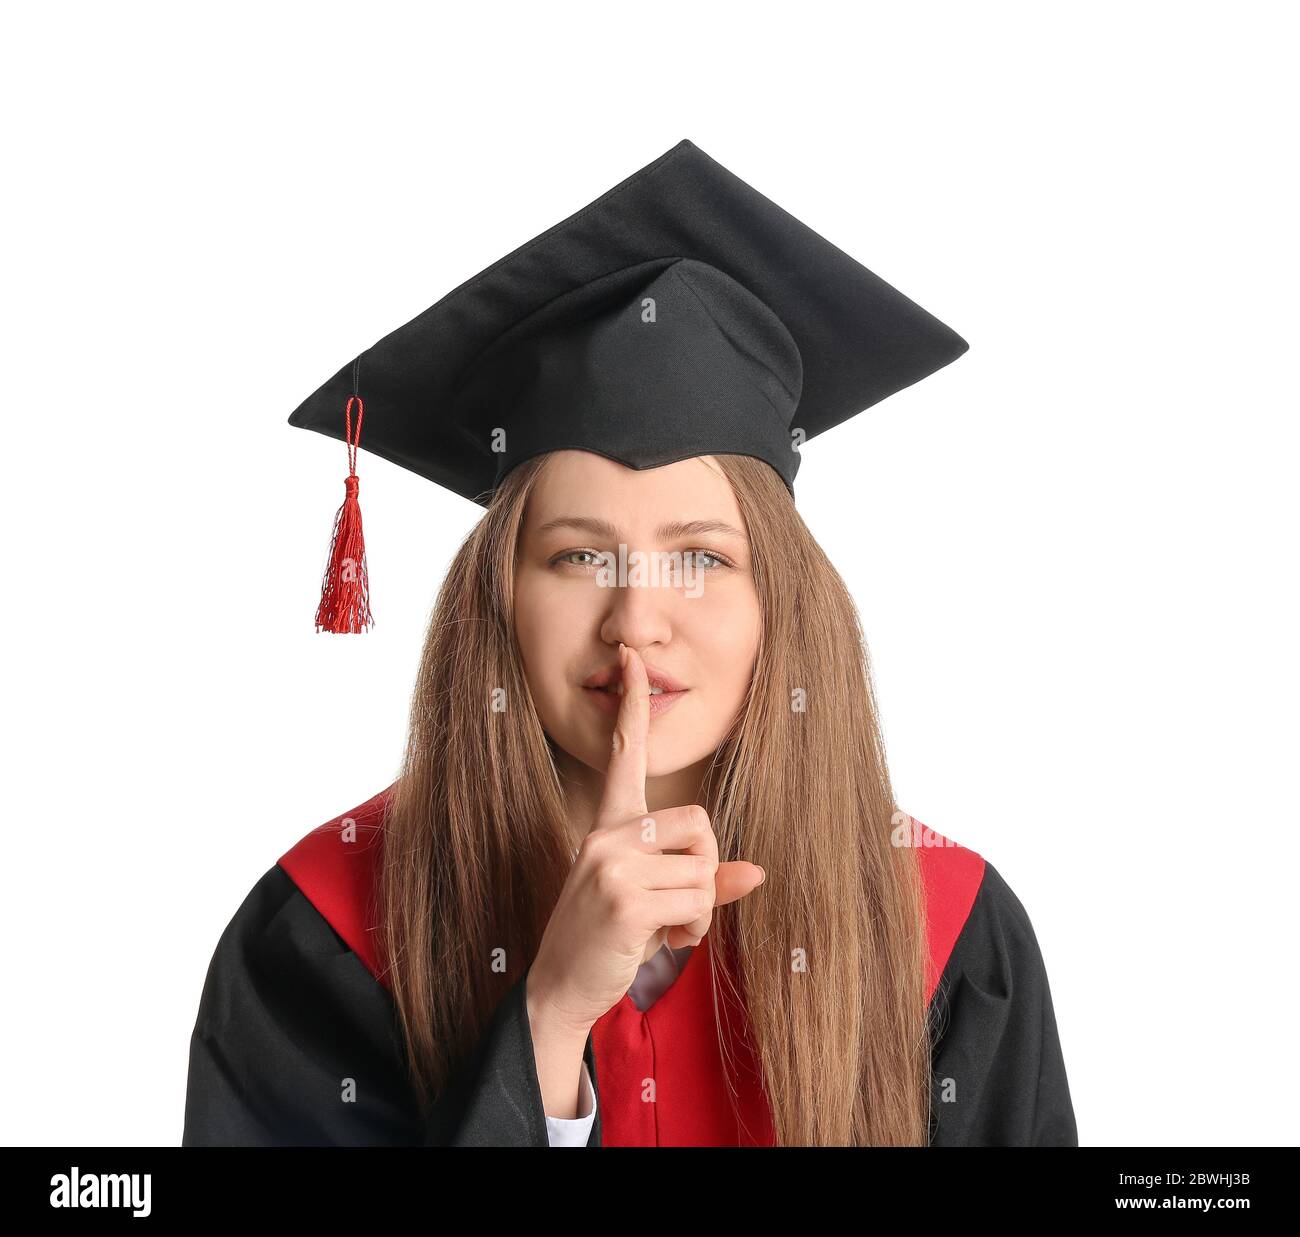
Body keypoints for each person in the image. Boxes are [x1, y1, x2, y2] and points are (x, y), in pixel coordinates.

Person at [183, 139, 1077, 1147]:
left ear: (780, 602)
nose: (637, 619)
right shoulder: (329, 927)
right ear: (498, 600)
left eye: (699, 557)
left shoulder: (942, 929)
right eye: (576, 558)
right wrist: (551, 1014)